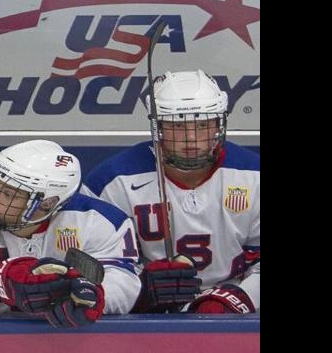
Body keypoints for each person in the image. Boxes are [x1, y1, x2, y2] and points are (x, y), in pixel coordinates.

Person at [83, 70, 259, 314]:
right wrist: (140, 291)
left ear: (219, 124)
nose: (190, 138)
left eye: (202, 124)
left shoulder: (254, 176)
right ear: (158, 127)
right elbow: (94, 264)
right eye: (177, 125)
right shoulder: (112, 181)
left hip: (234, 313)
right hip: (144, 319)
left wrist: (233, 300)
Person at [0, 140, 140, 328]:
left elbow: (124, 284)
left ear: (47, 204)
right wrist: (10, 290)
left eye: (9, 194)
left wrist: (89, 296)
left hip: (70, 344)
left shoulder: (101, 221)